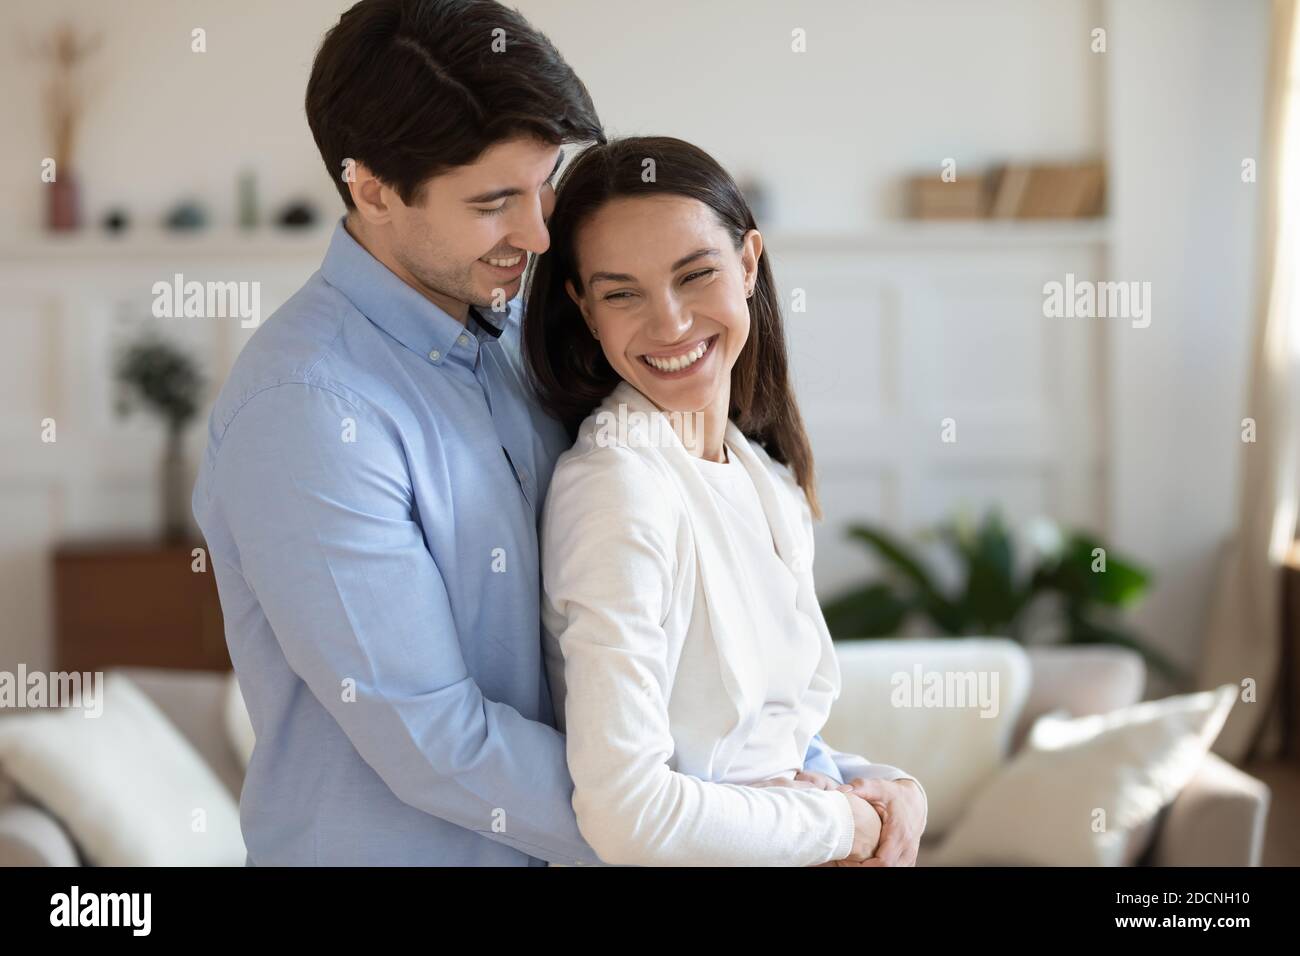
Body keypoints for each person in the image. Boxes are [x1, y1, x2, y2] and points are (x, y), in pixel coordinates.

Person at [524, 136, 929, 866]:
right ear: (584, 309)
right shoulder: (618, 487)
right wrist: (846, 826)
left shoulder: (762, 476)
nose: (671, 323)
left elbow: (759, 739)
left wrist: (886, 787)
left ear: (748, 264)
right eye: (622, 293)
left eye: (695, 274)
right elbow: (628, 814)